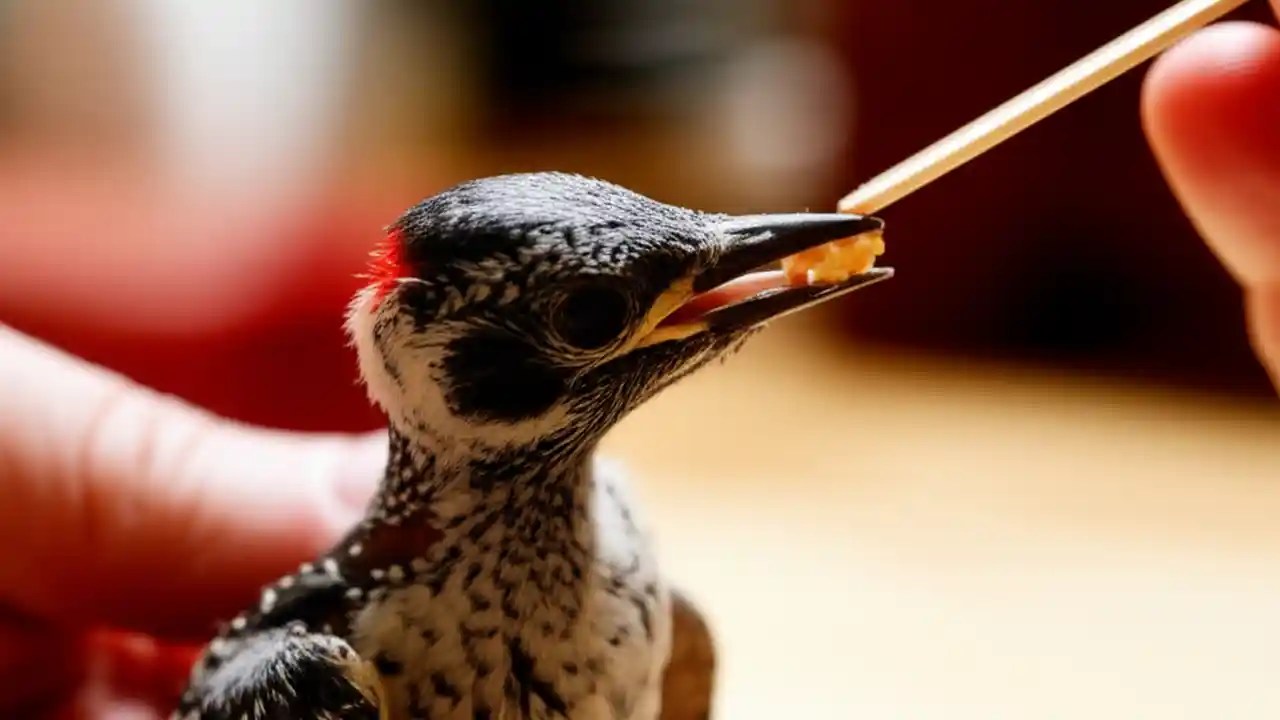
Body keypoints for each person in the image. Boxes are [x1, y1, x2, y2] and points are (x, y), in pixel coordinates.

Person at [1, 15, 1278, 716]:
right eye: (597, 313)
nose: (725, 282)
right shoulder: (316, 675)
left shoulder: (623, 555)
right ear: (467, 388)